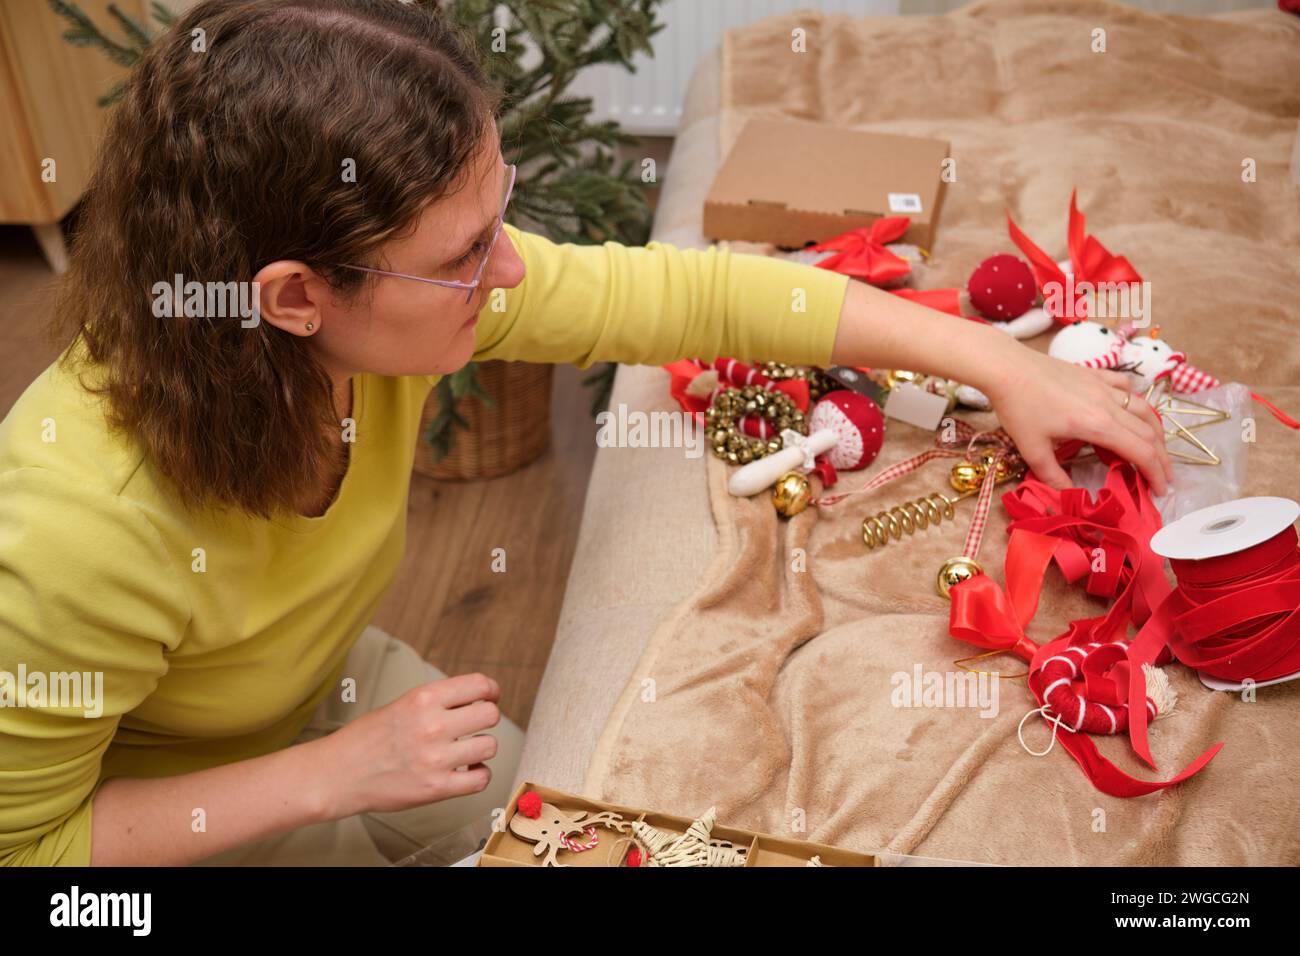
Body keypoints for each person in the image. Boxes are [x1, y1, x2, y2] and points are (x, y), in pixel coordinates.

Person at [0, 0, 1171, 867]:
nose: (507, 270)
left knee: (605, 832)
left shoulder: (366, 318)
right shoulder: (71, 530)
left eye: (496, 213)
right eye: (463, 257)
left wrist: (997, 360)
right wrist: (330, 775)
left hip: (315, 695)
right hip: (159, 817)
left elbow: (691, 295)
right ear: (295, 297)